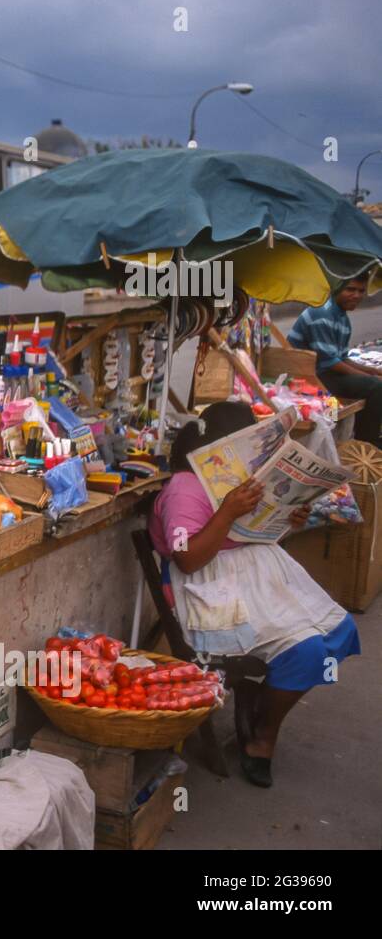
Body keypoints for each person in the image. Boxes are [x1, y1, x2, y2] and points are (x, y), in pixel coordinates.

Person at [148, 401, 361, 788]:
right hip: (212, 586)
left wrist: (287, 520)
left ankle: (262, 712)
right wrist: (227, 512)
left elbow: (252, 533)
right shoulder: (184, 487)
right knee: (307, 651)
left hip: (262, 574)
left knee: (335, 636)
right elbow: (189, 559)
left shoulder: (243, 478)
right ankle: (263, 734)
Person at [287, 272, 382, 441]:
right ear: (336, 289)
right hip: (309, 378)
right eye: (350, 289)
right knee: (375, 387)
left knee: (373, 382)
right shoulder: (322, 313)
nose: (357, 295)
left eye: (361, 291)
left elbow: (342, 358)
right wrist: (371, 378)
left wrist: (373, 370)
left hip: (325, 373)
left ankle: (366, 438)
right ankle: (368, 443)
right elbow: (330, 363)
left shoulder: (341, 317)